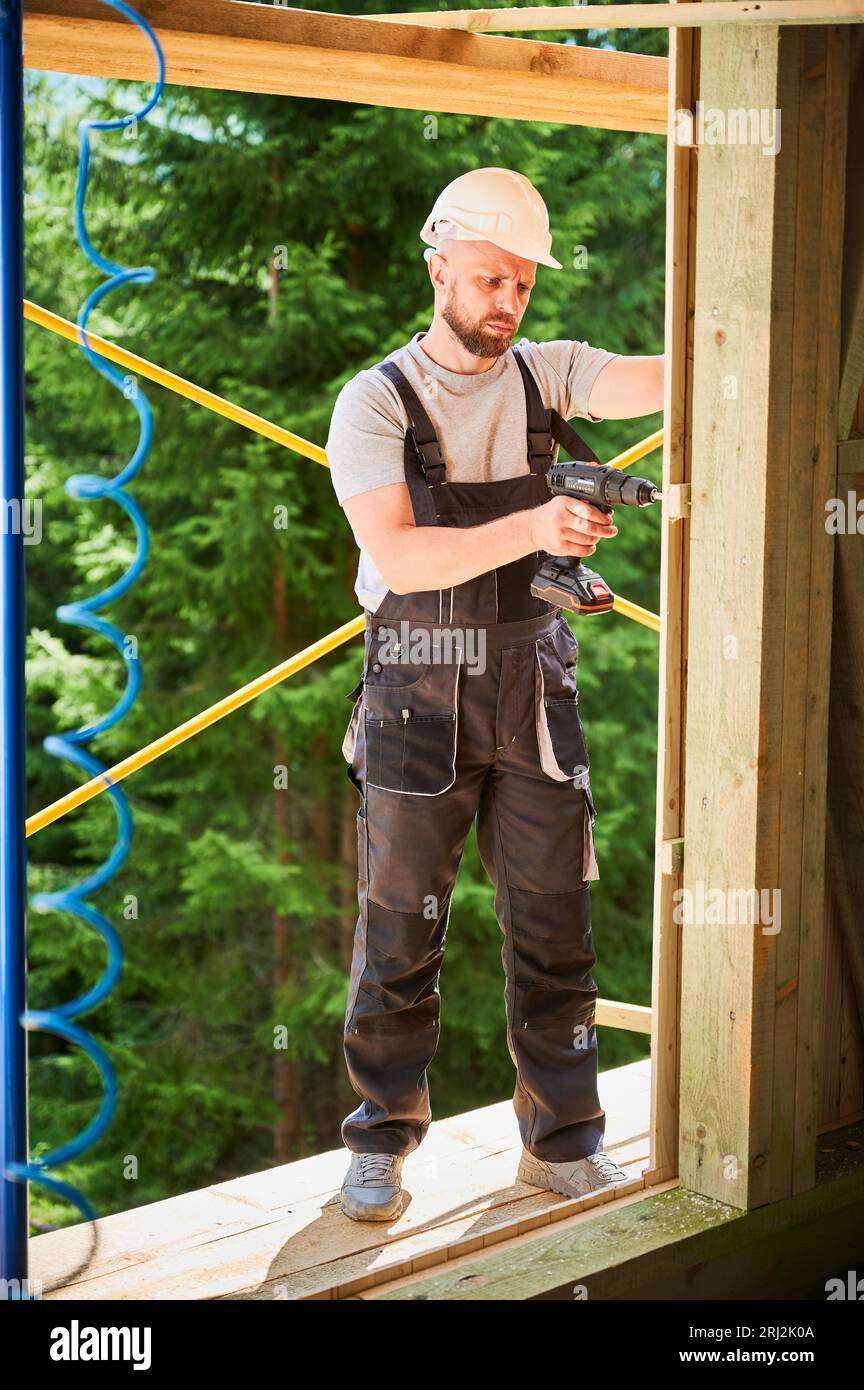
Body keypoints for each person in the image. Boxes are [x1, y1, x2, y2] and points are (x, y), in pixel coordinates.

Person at [325, 167, 664, 1221]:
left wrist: (723, 342)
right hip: (416, 683)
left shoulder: (546, 373)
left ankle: (562, 1141)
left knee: (556, 921)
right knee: (399, 929)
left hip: (533, 678)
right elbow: (400, 553)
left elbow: (648, 379)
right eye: (486, 280)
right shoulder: (375, 400)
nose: (504, 302)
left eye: (519, 283)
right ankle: (380, 1138)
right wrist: (533, 529)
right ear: (439, 272)